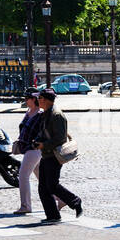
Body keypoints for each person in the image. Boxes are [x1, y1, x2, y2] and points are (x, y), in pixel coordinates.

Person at [34, 87, 82, 223]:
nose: (38, 100)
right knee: (43, 187)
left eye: (40, 98)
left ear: (47, 100)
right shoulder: (45, 113)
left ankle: (75, 201)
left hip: (54, 155)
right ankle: (53, 215)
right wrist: (38, 141)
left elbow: (60, 138)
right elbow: (44, 132)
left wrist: (44, 145)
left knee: (52, 185)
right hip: (46, 154)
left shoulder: (57, 115)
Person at [15, 89, 42, 214]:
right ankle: (60, 199)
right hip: (27, 148)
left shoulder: (40, 113)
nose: (25, 101)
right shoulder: (29, 112)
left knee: (23, 176)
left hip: (34, 148)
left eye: (27, 98)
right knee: (42, 178)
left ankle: (26, 205)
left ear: (34, 99)